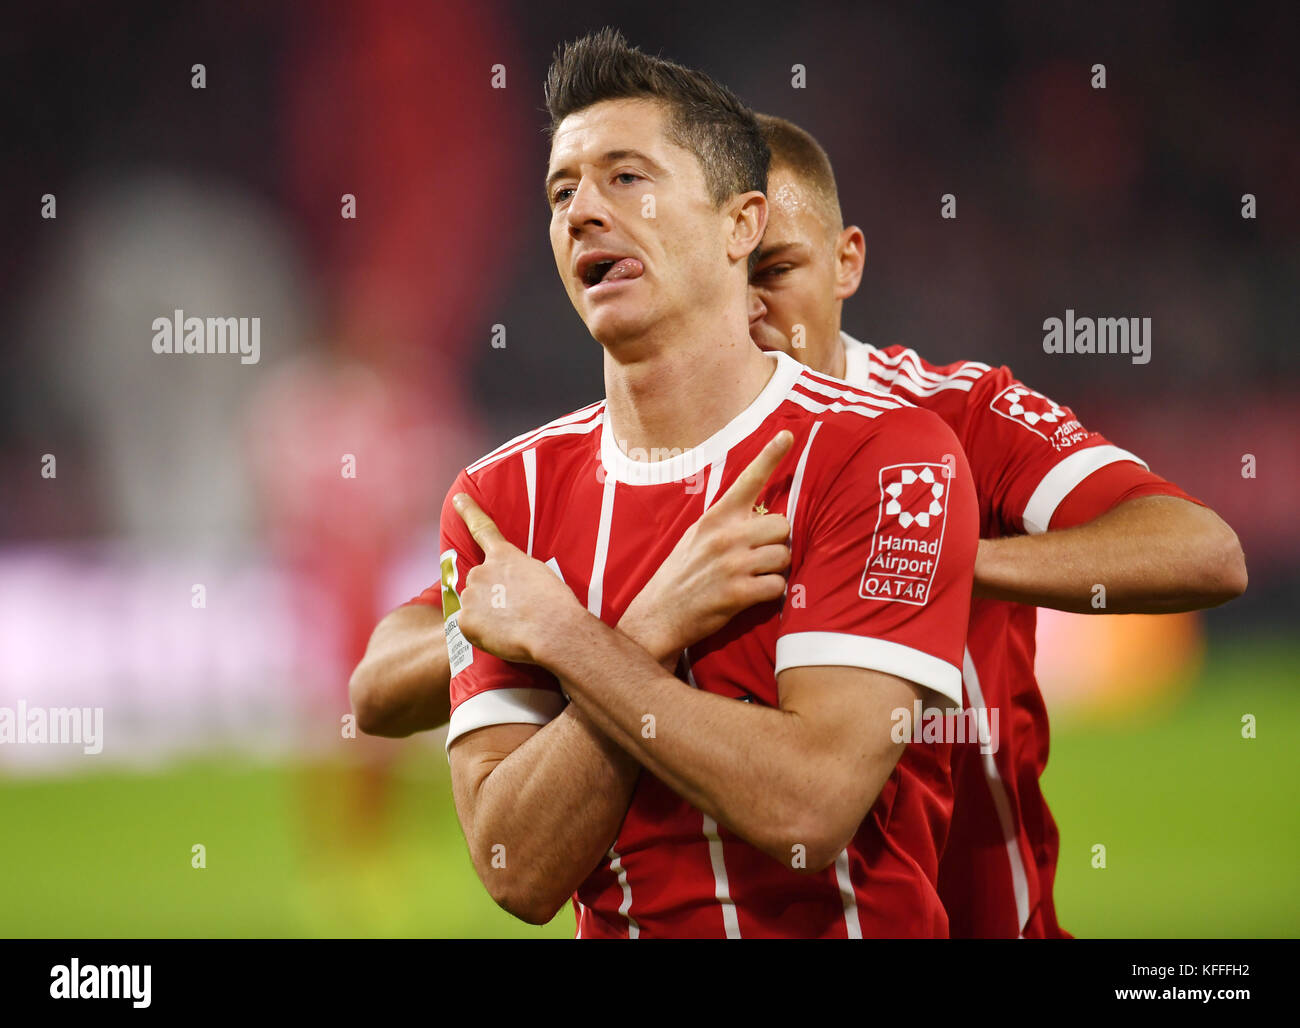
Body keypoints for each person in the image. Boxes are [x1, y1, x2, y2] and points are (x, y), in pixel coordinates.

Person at [434, 28, 980, 938]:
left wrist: (569, 635)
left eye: (627, 177)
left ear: (741, 224)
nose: (583, 212)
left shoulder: (887, 458)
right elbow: (514, 870)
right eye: (562, 191)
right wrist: (650, 626)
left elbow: (806, 811)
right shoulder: (498, 505)